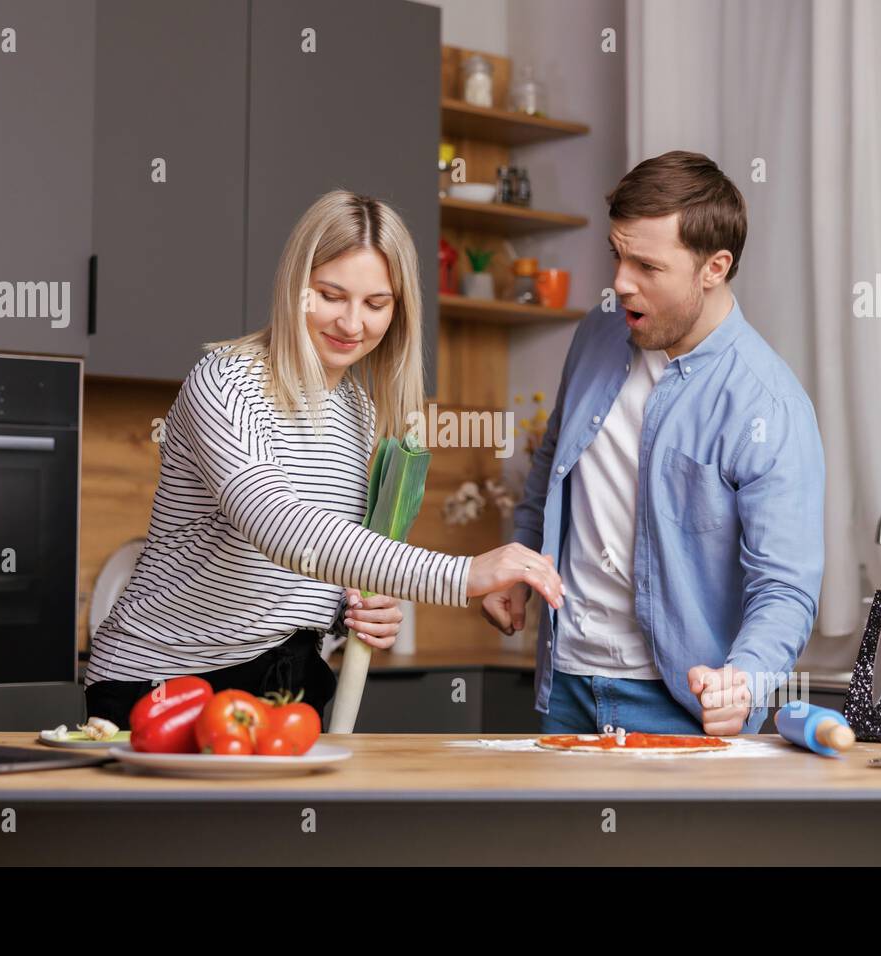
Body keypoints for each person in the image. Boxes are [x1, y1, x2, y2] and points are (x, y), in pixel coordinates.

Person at [86, 190, 564, 728]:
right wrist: (465, 574)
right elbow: (281, 527)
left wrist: (350, 610)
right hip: (164, 684)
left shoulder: (359, 412)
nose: (352, 324)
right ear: (297, 288)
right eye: (331, 295)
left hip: (285, 686)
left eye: (376, 304)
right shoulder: (226, 382)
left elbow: (317, 567)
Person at [482, 151, 824, 736]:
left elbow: (785, 586)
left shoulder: (768, 404)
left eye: (647, 265)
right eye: (617, 256)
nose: (620, 282)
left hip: (680, 706)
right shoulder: (598, 332)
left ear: (714, 267)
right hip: (564, 684)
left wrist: (742, 680)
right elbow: (551, 468)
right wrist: (520, 562)